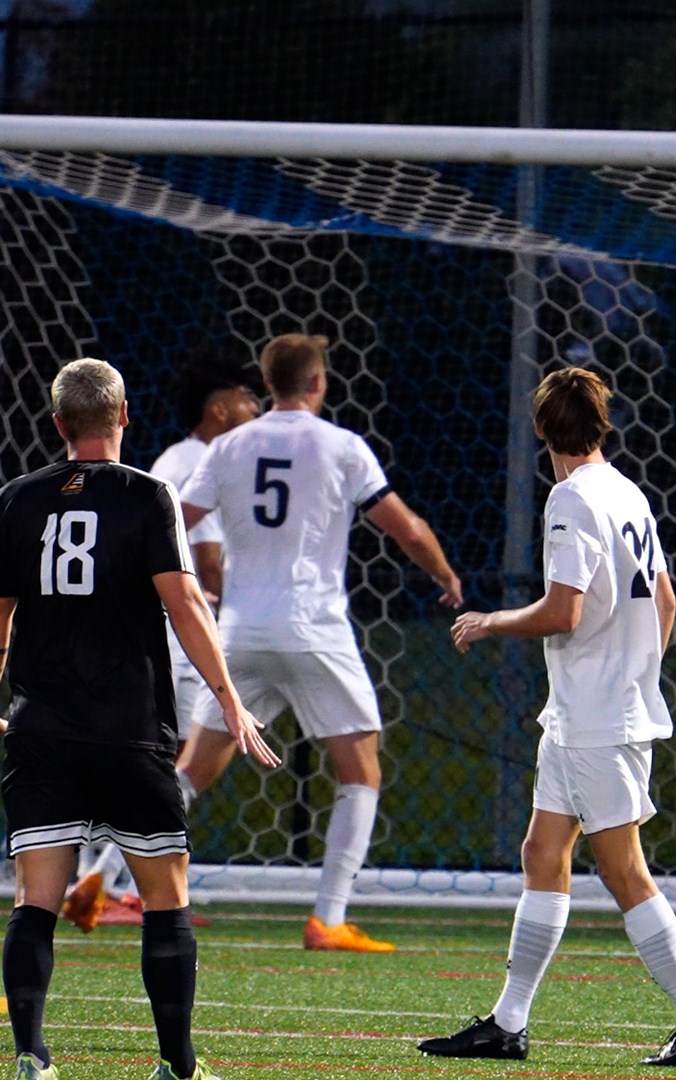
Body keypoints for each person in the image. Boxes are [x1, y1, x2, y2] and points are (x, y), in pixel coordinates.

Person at [418, 367, 676, 1067]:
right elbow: (668, 602)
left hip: (596, 719)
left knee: (623, 872)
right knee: (543, 853)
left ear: (540, 430)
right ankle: (508, 1021)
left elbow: (565, 611)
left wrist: (491, 621)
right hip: (585, 714)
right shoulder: (627, 492)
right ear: (602, 423)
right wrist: (636, 672)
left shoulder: (570, 499)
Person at [0, 358, 280, 1080]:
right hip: (128, 726)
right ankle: (178, 1065)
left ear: (59, 423)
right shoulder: (148, 495)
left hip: (42, 728)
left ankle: (31, 1055)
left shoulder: (17, 500)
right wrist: (228, 696)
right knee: (166, 897)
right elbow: (184, 604)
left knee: (36, 898)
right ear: (124, 415)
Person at [176, 333, 462, 953]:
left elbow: (177, 518)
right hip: (312, 629)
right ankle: (327, 918)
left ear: (267, 380)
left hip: (241, 632)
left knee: (192, 770)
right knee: (360, 770)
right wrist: (443, 574)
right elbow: (405, 528)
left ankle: (100, 870)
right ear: (318, 384)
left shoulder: (227, 446)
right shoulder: (342, 447)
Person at [62, 342, 261, 934]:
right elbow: (206, 559)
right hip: (185, 631)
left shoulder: (175, 457)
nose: (254, 406)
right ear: (220, 407)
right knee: (176, 765)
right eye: (246, 397)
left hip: (150, 630)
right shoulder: (207, 459)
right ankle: (110, 882)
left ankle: (104, 879)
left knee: (178, 764)